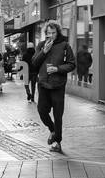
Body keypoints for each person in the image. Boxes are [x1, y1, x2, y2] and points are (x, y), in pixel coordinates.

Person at [30, 20, 75, 152]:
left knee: (58, 115)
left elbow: (72, 64)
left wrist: (57, 69)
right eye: (48, 33)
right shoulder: (41, 45)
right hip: (43, 84)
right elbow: (34, 62)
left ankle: (57, 142)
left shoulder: (65, 45)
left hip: (58, 85)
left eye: (53, 32)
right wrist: (44, 51)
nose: (50, 35)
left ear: (57, 32)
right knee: (41, 111)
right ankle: (53, 130)